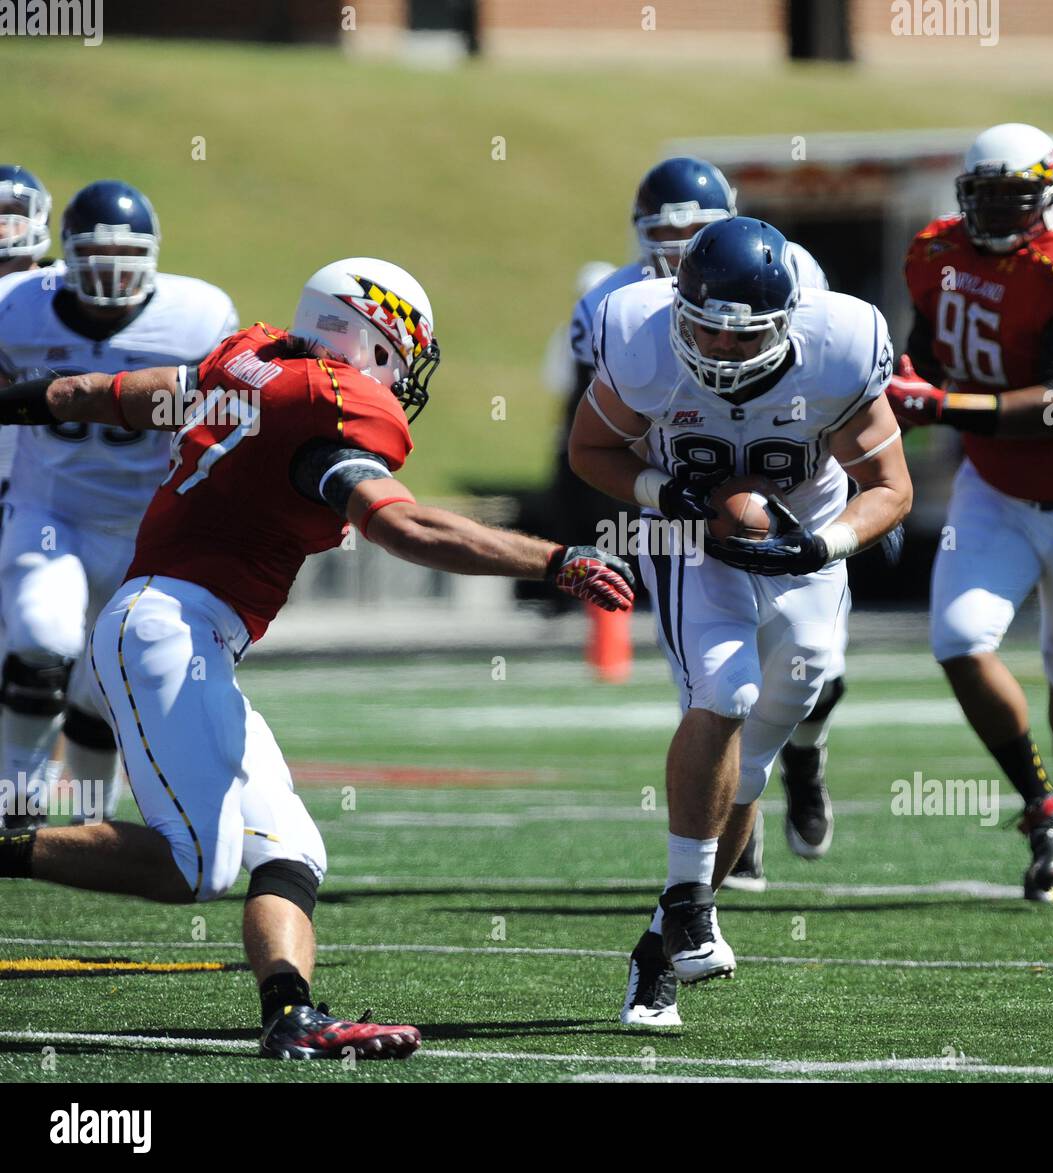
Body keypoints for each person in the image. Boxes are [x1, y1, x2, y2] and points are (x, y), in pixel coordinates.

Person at [0, 257, 634, 1059]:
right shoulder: (327, 406)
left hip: (191, 633)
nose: (405, 374)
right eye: (404, 351)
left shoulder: (247, 361)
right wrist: (550, 560)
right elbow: (406, 528)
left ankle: (290, 1014)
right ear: (373, 334)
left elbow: (96, 394)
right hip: (169, 625)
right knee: (195, 865)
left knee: (291, 847)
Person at [569, 217, 910, 1026]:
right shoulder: (639, 335)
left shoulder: (841, 345)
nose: (719, 350)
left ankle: (659, 943)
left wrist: (822, 544)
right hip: (693, 538)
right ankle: (689, 896)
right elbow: (592, 450)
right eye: (704, 329)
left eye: (740, 335)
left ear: (790, 322)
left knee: (766, 735)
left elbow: (891, 487)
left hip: (806, 537)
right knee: (724, 690)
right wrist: (666, 494)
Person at [567, 156, 843, 887]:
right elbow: (600, 433)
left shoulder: (799, 280)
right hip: (684, 496)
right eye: (665, 232)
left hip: (791, 491)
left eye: (699, 230)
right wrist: (660, 497)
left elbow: (837, 405)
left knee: (813, 669)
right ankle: (725, 838)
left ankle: (804, 755)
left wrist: (830, 518)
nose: (680, 245)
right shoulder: (620, 310)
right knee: (715, 683)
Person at [887, 123, 1053, 903]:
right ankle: (1043, 804)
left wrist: (940, 405)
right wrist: (900, 382)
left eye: (1015, 195)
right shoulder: (936, 253)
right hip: (993, 490)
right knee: (960, 639)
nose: (998, 211)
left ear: (1051, 192)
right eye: (985, 195)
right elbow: (923, 355)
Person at [0, 179, 238, 828]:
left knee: (105, 687)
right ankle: (12, 809)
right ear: (67, 258)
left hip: (147, 528)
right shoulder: (18, 308)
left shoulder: (197, 317)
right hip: (52, 514)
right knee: (40, 639)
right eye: (95, 259)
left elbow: (226, 412)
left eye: (123, 259)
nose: (108, 274)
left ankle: (88, 823)